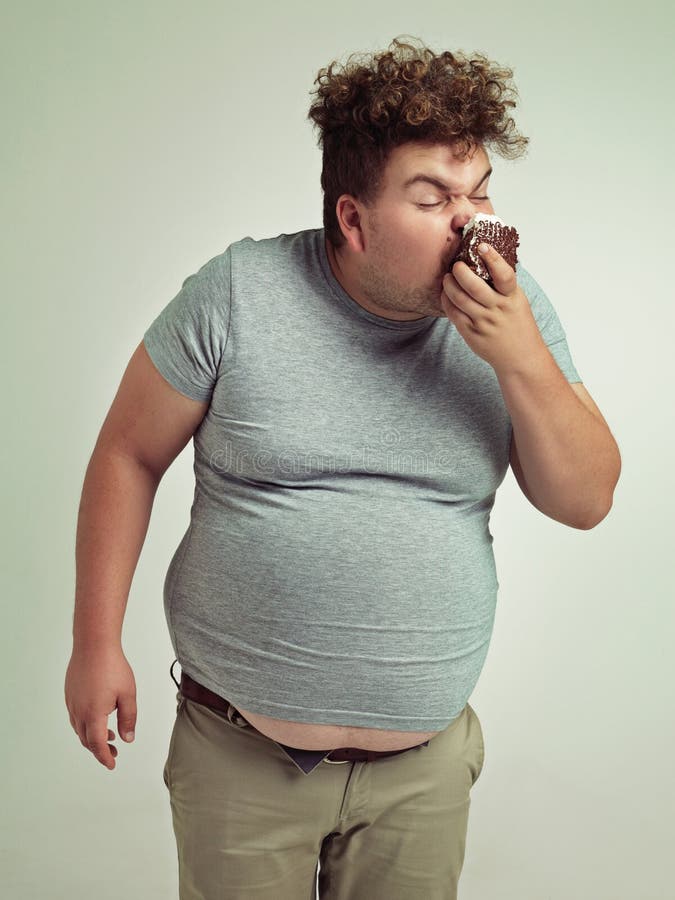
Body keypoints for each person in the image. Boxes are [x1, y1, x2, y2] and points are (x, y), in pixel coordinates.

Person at [64, 36, 621, 900]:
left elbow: (585, 500)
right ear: (353, 219)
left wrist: (519, 359)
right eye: (433, 199)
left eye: (478, 195)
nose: (471, 225)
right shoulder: (239, 291)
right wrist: (95, 645)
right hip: (241, 756)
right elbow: (128, 453)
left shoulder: (514, 309)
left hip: (422, 774)